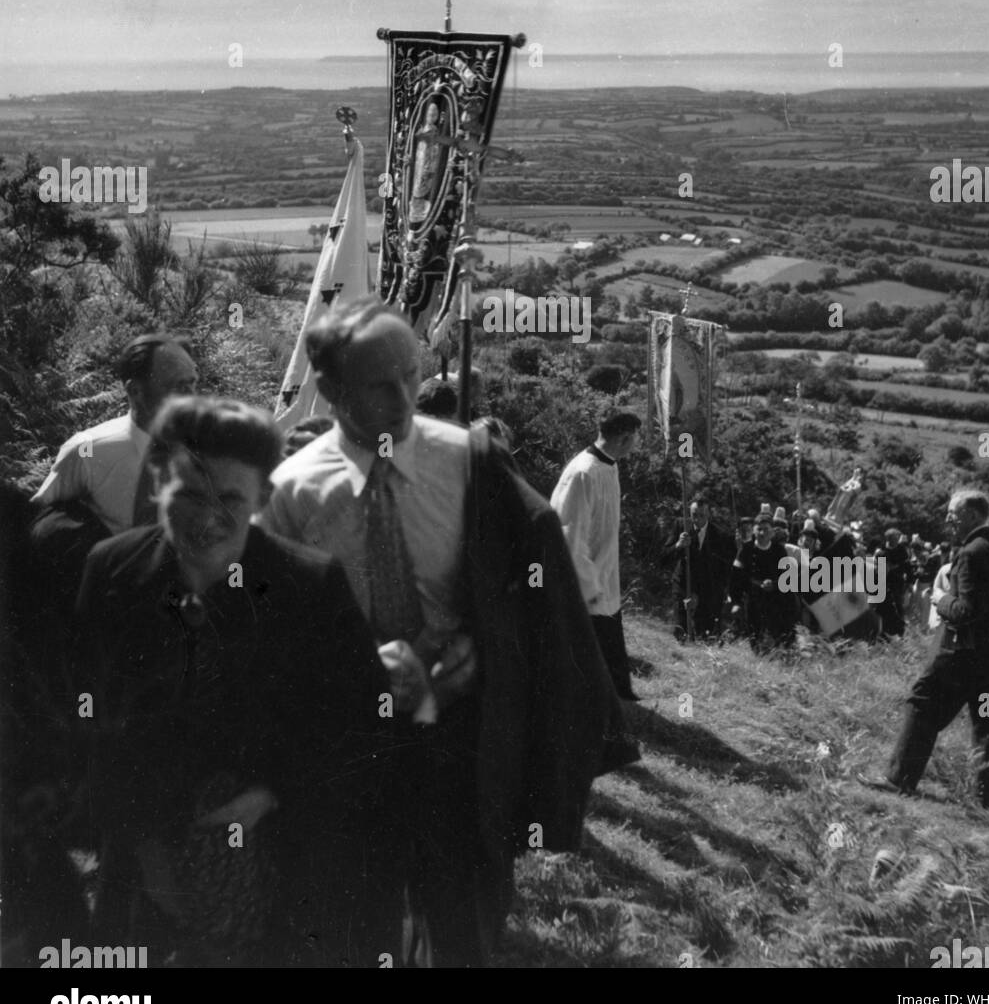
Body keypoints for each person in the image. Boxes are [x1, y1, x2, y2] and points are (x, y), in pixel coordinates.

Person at [258, 298, 635, 967]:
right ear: (332, 389)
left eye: (412, 374)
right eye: (380, 383)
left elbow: (538, 597)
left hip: (462, 742)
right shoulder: (291, 495)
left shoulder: (473, 466)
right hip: (350, 749)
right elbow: (270, 638)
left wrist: (488, 655)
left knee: (464, 921)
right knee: (356, 921)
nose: (406, 396)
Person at [72, 395, 391, 966]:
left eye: (231, 499)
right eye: (189, 495)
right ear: (154, 481)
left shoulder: (310, 588)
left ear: (264, 498)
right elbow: (87, 710)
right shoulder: (111, 569)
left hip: (275, 867)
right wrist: (140, 836)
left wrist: (271, 793)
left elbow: (363, 723)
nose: (207, 516)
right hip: (140, 861)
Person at [859, 488, 989, 808]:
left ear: (971, 515)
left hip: (961, 659)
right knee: (987, 726)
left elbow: (967, 611)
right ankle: (982, 803)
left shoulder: (972, 552)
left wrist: (941, 600)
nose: (947, 520)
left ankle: (899, 779)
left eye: (952, 515)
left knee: (922, 703)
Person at [32, 333, 199, 536]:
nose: (192, 397)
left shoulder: (216, 450)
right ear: (135, 391)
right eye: (179, 387)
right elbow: (36, 519)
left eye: (192, 383)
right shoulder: (89, 450)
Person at [550, 410, 644, 699]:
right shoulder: (583, 472)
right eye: (635, 437)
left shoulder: (609, 466)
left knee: (609, 645)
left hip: (603, 574)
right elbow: (569, 532)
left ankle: (618, 699)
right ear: (623, 438)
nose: (636, 444)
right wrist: (587, 583)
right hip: (584, 582)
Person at [665, 494, 735, 641]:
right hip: (682, 586)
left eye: (701, 515)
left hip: (707, 592)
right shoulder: (680, 526)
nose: (697, 520)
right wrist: (678, 545)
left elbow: (723, 573)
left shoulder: (721, 536)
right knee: (680, 632)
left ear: (708, 514)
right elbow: (663, 557)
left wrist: (700, 596)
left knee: (705, 636)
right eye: (694, 515)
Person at [734, 507, 797, 652]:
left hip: (775, 599)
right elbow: (737, 577)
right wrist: (736, 601)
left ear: (772, 532)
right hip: (752, 599)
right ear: (754, 531)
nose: (762, 533)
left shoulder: (779, 551)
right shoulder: (746, 550)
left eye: (766, 529)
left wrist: (774, 584)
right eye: (759, 529)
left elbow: (786, 578)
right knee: (754, 640)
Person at [873, 527, 909, 638]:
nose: (897, 539)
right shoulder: (881, 550)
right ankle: (882, 631)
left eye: (897, 537)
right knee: (881, 607)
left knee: (898, 606)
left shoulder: (901, 550)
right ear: (890, 538)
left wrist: (909, 581)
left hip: (897, 583)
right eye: (896, 537)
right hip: (883, 583)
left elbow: (906, 566)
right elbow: (877, 565)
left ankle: (900, 632)